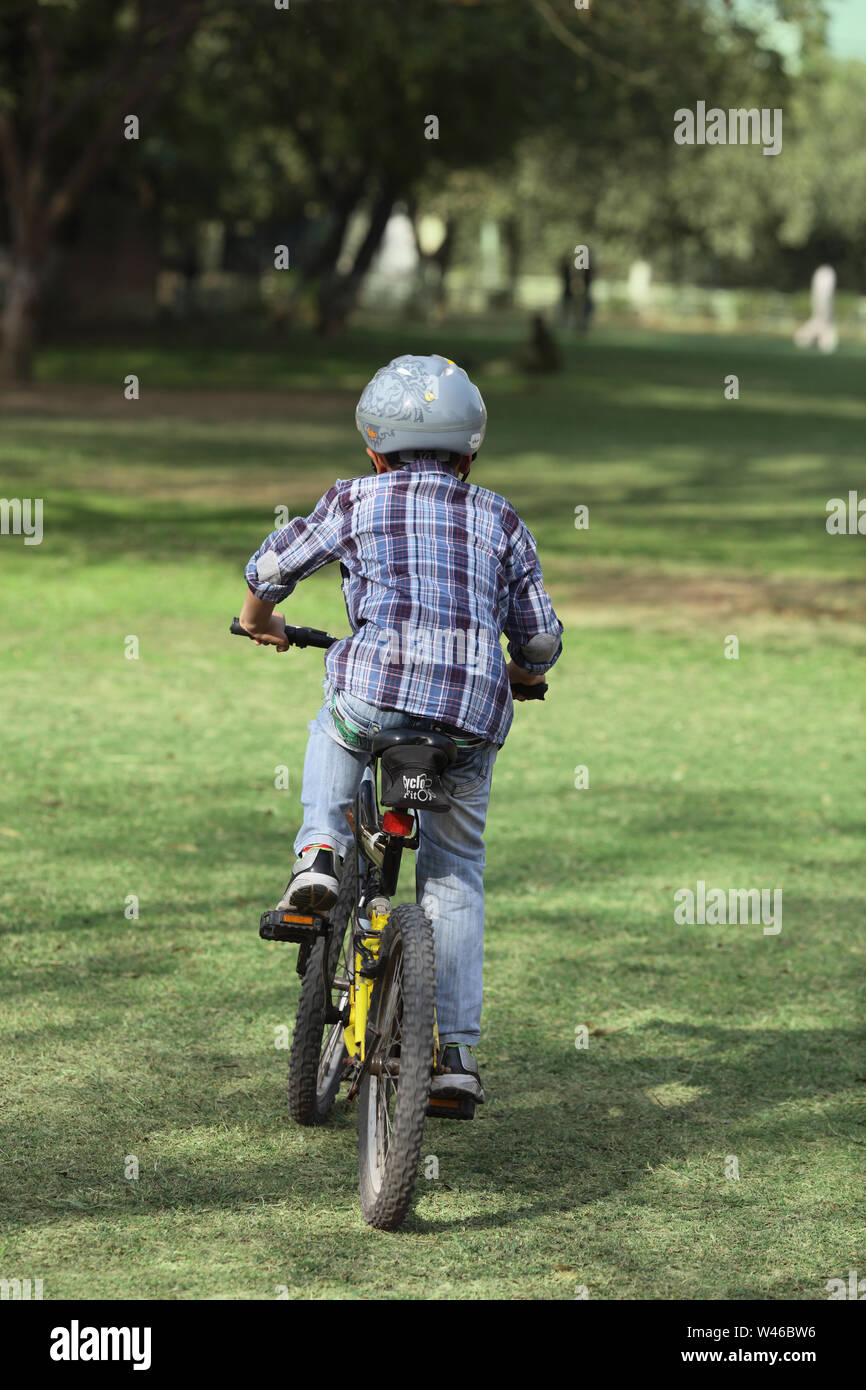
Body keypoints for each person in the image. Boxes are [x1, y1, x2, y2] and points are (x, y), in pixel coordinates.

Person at [238, 354, 562, 1105]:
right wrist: (520, 670)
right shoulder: (500, 517)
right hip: (468, 718)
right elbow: (539, 639)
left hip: (376, 695)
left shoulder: (355, 500)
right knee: (455, 872)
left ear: (373, 449)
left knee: (337, 728)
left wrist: (262, 622)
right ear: (471, 454)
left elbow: (272, 567)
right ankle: (452, 1055)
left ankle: (319, 854)